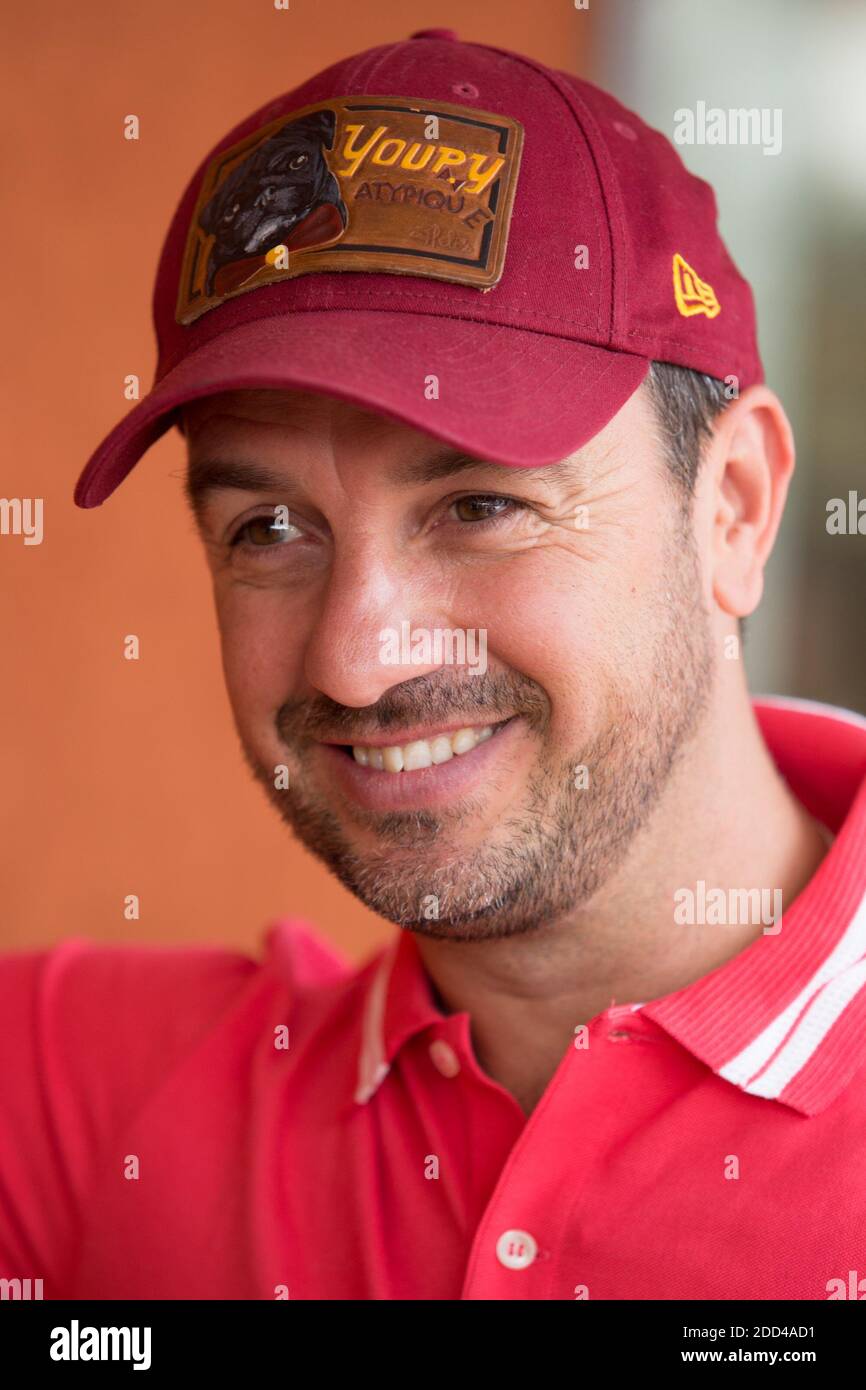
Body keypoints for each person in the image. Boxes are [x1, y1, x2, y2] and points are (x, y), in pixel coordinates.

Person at [3, 29, 865, 1302]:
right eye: (271, 530)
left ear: (730, 506)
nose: (357, 660)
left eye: (476, 505)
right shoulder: (79, 1111)